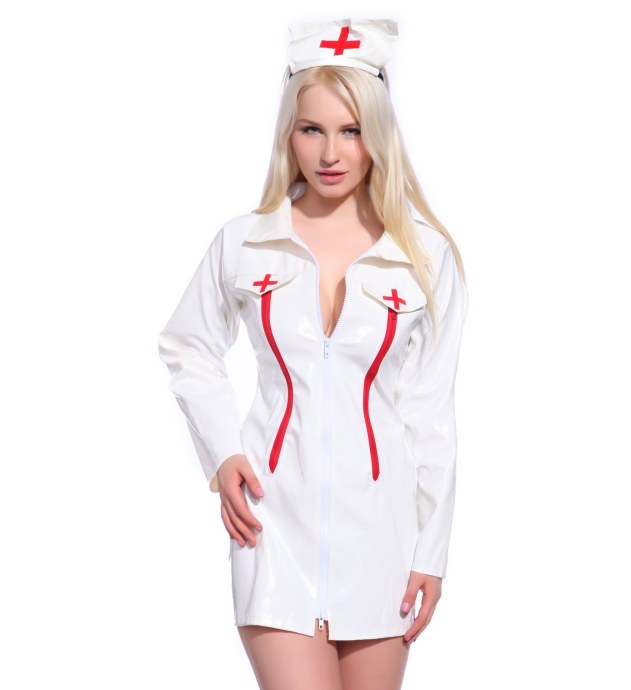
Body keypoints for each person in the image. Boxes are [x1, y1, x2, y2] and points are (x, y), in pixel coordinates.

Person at [157, 17, 468, 690]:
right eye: (312, 129)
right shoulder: (245, 243)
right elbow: (188, 345)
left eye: (351, 130)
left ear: (377, 134)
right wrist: (223, 455)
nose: (330, 152)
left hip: (383, 539)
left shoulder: (424, 256)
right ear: (288, 133)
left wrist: (432, 553)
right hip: (272, 531)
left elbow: (431, 414)